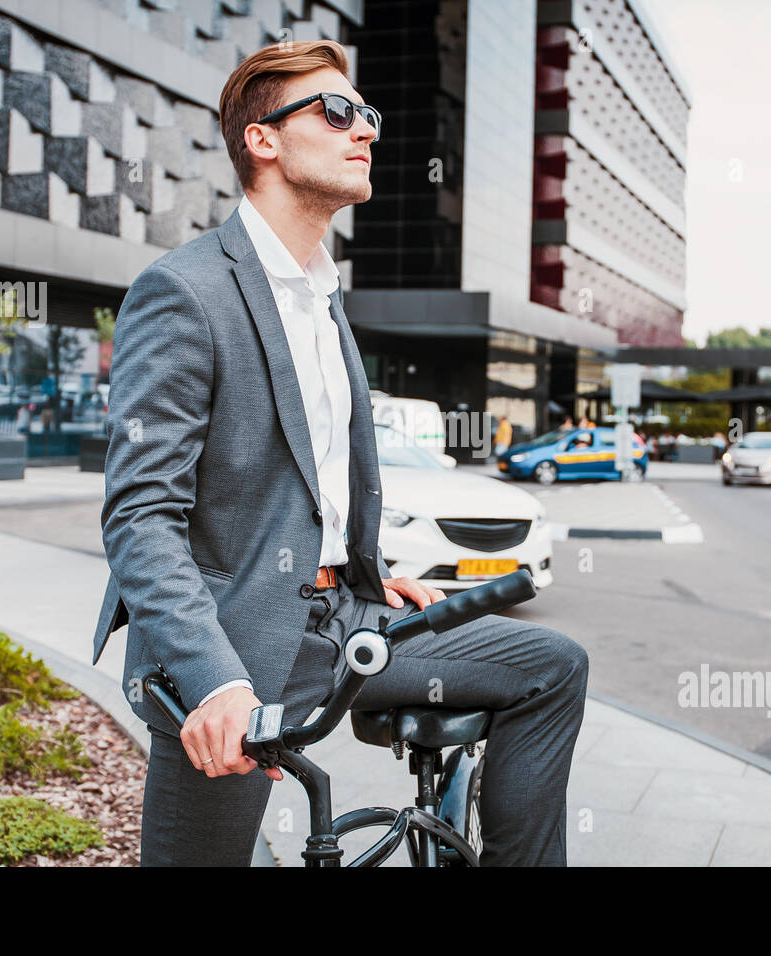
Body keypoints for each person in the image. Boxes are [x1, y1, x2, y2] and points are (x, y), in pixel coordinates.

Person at [93, 39, 588, 868]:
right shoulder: (185, 292)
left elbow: (310, 480)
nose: (366, 131)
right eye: (337, 112)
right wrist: (215, 681)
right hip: (232, 646)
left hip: (343, 620)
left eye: (370, 116)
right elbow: (142, 517)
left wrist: (358, 567)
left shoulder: (324, 298)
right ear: (264, 140)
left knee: (551, 666)